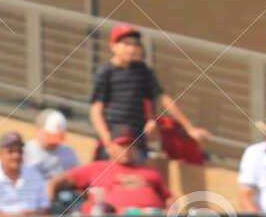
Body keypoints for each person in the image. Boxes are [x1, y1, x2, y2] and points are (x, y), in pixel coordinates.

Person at [89, 24, 208, 162]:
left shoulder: (143, 70)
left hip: (136, 137)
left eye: (135, 44)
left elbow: (162, 98)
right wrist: (107, 140)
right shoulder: (105, 72)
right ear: (113, 46)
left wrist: (189, 127)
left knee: (138, 177)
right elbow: (96, 109)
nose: (132, 48)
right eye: (126, 44)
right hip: (113, 135)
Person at [47, 127, 173, 214]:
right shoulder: (95, 168)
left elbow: (169, 198)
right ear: (109, 148)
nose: (126, 149)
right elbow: (56, 182)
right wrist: (48, 205)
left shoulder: (150, 171)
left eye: (130, 145)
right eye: (121, 145)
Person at [0, 131, 50, 217]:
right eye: (10, 151)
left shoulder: (34, 174)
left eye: (19, 151)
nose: (16, 155)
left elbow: (45, 207)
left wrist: (33, 215)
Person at [23, 109, 80, 181]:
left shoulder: (68, 153)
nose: (54, 142)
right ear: (39, 129)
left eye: (57, 137)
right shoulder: (25, 151)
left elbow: (78, 178)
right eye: (50, 136)